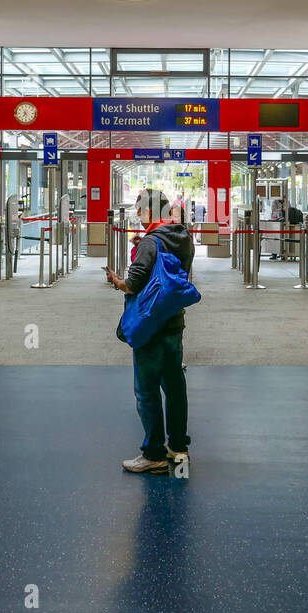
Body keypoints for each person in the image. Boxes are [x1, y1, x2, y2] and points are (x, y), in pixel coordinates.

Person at [104, 189, 196, 474]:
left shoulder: (150, 241)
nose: (140, 217)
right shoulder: (183, 237)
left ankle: (154, 453)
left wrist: (116, 281)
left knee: (146, 391)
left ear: (149, 212)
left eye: (141, 211)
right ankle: (178, 448)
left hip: (149, 327)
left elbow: (134, 283)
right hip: (173, 323)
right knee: (175, 387)